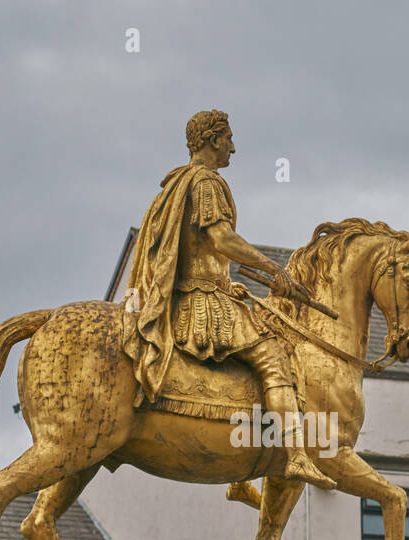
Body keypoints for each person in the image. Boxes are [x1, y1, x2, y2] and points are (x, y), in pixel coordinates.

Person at [123, 109, 336, 490]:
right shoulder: (205, 181)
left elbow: (196, 252)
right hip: (199, 302)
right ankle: (298, 456)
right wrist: (275, 270)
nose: (233, 148)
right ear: (212, 139)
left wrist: (229, 283)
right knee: (275, 356)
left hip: (204, 291)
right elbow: (221, 239)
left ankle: (241, 471)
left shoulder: (174, 184)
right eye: (228, 139)